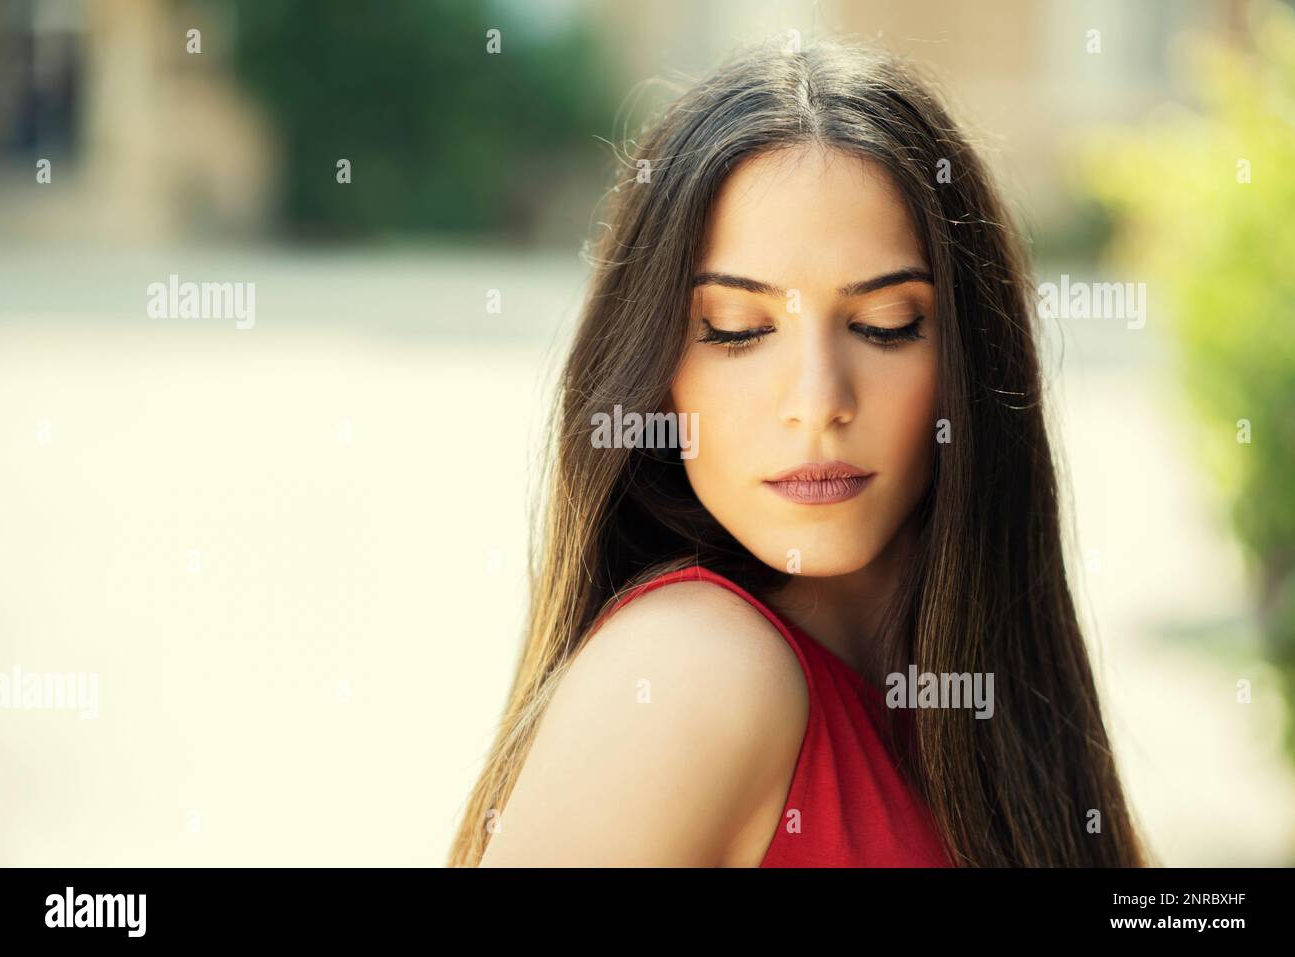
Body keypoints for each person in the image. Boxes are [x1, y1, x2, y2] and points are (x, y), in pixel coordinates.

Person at [448, 36, 1148, 867]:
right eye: (738, 332)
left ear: (969, 355)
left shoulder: (988, 713)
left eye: (885, 326)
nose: (818, 402)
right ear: (656, 370)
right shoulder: (688, 672)